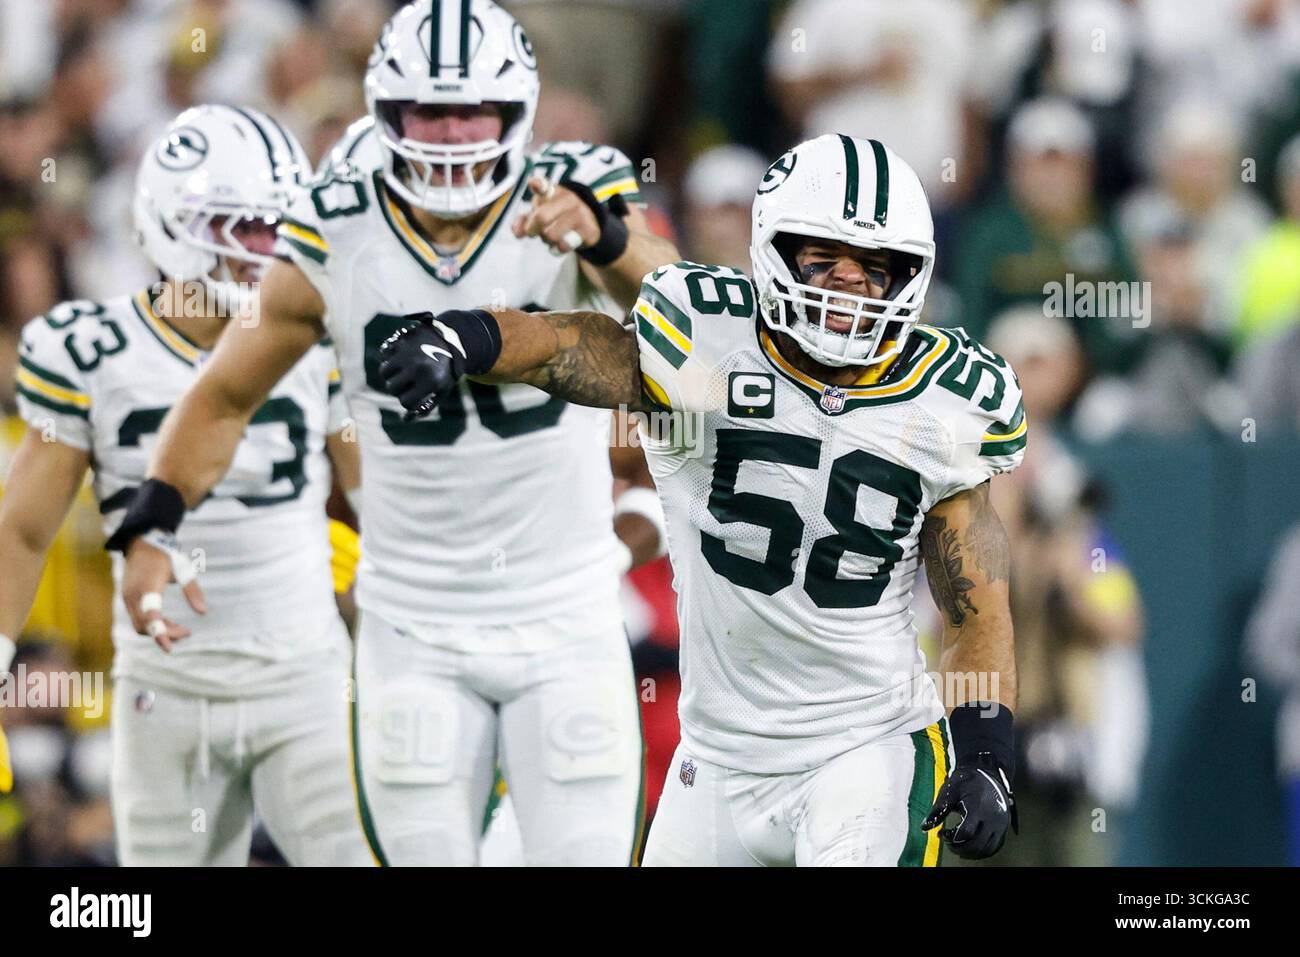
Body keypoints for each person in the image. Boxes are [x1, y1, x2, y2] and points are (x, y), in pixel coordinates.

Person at [112, 0, 680, 866]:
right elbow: (224, 393)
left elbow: (697, 321)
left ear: (517, 113)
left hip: (564, 614)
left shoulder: (572, 189)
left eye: (473, 114)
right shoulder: (336, 228)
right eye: (429, 113)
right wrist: (152, 519)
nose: (452, 137)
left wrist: (607, 235)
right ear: (384, 113)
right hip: (414, 625)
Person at [378, 134, 1026, 866]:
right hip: (715, 760)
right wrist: (466, 337)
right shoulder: (706, 340)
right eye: (823, 261)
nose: (846, 286)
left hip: (864, 747)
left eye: (873, 269)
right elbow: (572, 345)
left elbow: (975, 604)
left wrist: (988, 750)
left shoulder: (945, 403)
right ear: (773, 251)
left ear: (910, 273)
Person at [0, 104, 369, 866]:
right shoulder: (92, 350)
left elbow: (380, 504)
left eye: (281, 227)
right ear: (173, 221)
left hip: (306, 677)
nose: (269, 252)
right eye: (244, 229)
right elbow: (24, 528)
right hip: (162, 690)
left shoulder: (321, 334)